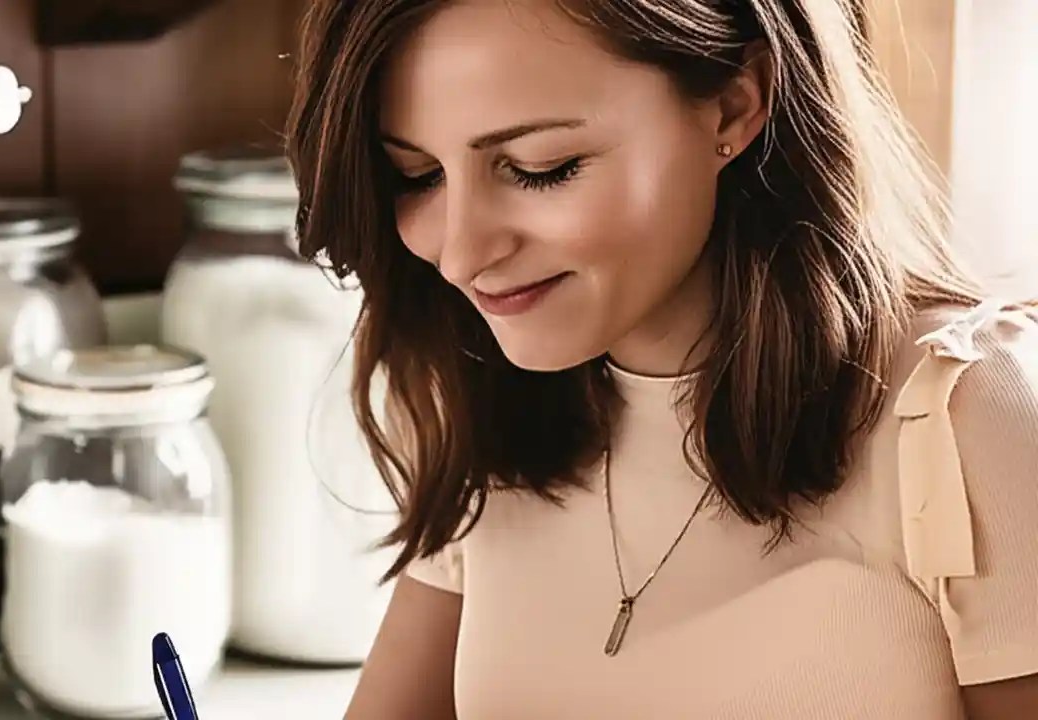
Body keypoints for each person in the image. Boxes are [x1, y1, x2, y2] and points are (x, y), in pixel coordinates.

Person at [284, 0, 1038, 717]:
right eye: (419, 176)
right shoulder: (487, 409)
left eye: (541, 166)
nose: (460, 253)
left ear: (735, 106)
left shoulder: (965, 413)